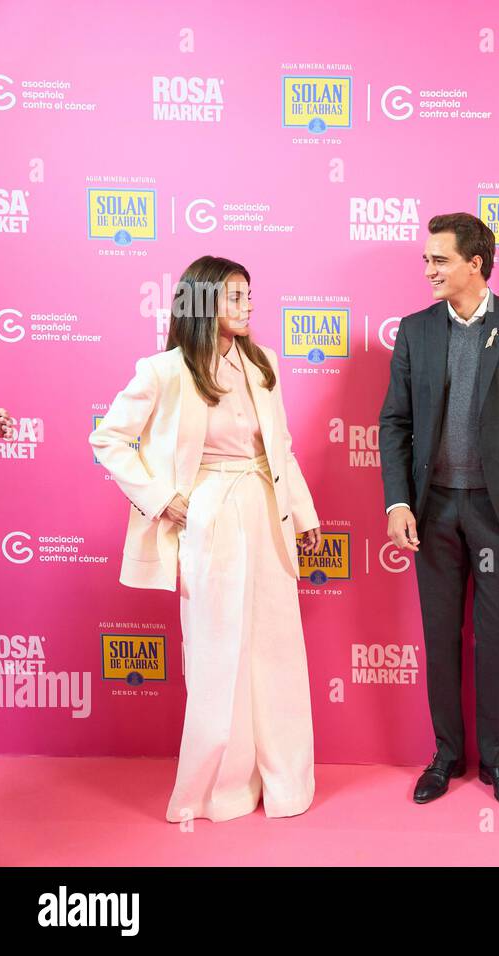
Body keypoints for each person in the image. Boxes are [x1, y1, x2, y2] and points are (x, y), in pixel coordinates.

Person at [90, 255, 321, 824]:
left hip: (266, 511)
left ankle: (286, 784)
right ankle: (222, 789)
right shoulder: (163, 370)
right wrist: (159, 496)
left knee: (276, 646)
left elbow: (281, 448)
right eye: (233, 297)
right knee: (219, 651)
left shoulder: (263, 362)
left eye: (249, 295)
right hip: (207, 514)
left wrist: (304, 512)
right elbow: (108, 439)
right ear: (199, 304)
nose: (247, 306)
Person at [379, 212, 499, 810]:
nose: (428, 270)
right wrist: (399, 500)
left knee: (496, 637)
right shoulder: (415, 330)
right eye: (427, 261)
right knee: (439, 635)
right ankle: (445, 754)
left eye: (440, 260)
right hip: (432, 513)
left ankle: (498, 757)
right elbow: (396, 423)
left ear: (474, 264)